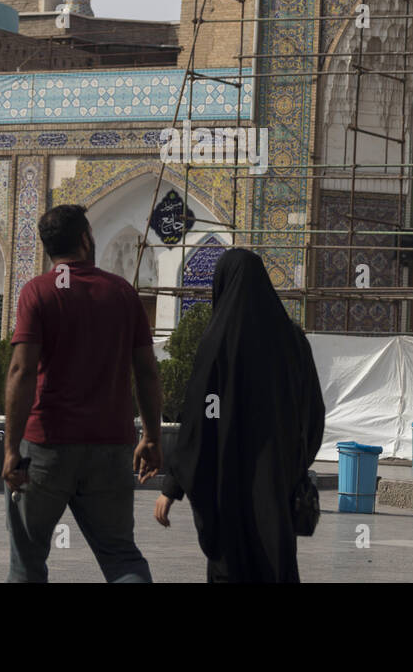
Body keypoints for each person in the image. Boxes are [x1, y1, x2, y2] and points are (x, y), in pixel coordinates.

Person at [3, 204, 164, 583]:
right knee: (121, 556)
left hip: (47, 447)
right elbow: (146, 372)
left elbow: (22, 371)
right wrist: (152, 437)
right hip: (110, 448)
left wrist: (12, 449)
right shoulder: (122, 293)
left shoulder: (38, 292)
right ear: (85, 239)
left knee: (27, 560)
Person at [153, 248, 326, 582]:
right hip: (275, 485)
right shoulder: (293, 342)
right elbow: (313, 415)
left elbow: (199, 422)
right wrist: (292, 464)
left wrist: (173, 485)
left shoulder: (217, 345)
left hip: (225, 485)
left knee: (230, 568)